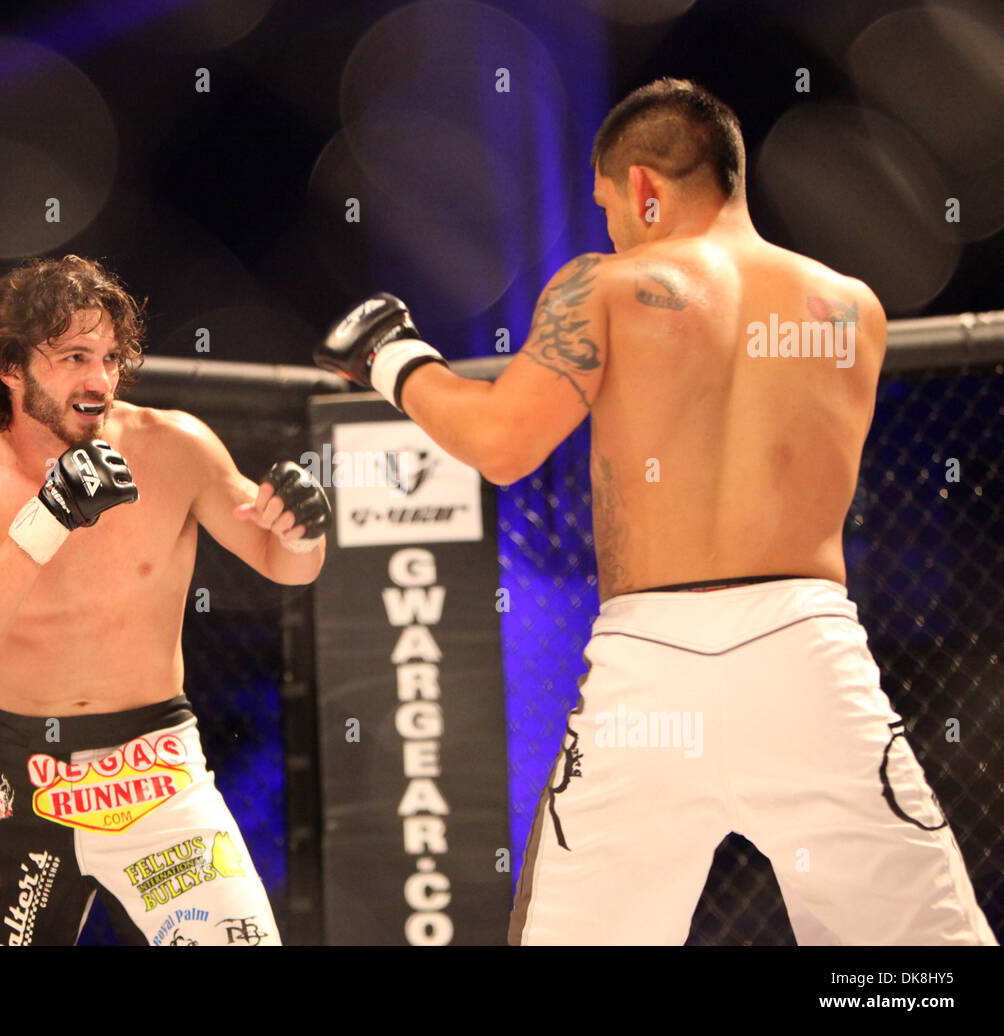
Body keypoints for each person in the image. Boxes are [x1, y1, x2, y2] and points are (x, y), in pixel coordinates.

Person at [314, 79, 996, 945]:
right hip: (811, 662)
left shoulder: (608, 284)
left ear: (643, 187)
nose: (609, 230)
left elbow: (501, 444)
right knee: (916, 967)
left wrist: (390, 356)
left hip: (652, 674)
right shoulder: (849, 308)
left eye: (609, 208)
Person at [0, 254, 330, 945]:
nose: (99, 380)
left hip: (158, 775)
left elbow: (285, 563)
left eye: (109, 357)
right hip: (23, 782)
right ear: (12, 367)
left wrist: (304, 529)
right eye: (74, 356)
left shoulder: (175, 446)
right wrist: (45, 521)